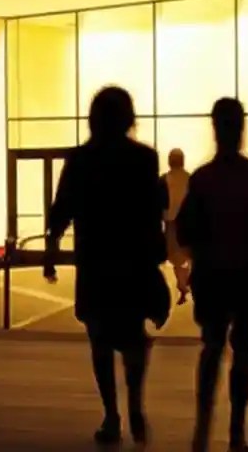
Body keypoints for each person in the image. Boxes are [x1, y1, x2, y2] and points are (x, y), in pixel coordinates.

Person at [44, 86, 168, 446]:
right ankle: (135, 407)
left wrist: (51, 250)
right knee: (132, 339)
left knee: (99, 338)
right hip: (132, 259)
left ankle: (111, 414)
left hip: (95, 258)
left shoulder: (81, 159)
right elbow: (151, 211)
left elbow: (61, 208)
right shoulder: (144, 159)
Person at [177, 98, 248, 452]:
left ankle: (203, 428)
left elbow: (185, 231)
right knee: (242, 351)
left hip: (212, 277)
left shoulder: (204, 179)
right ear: (241, 129)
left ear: (214, 129)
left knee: (211, 347)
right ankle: (237, 432)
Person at [160, 148, 192, 305]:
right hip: (188, 222)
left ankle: (182, 284)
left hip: (171, 222)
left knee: (175, 257)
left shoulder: (164, 179)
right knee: (188, 255)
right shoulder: (191, 179)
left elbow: (158, 204)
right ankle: (185, 282)